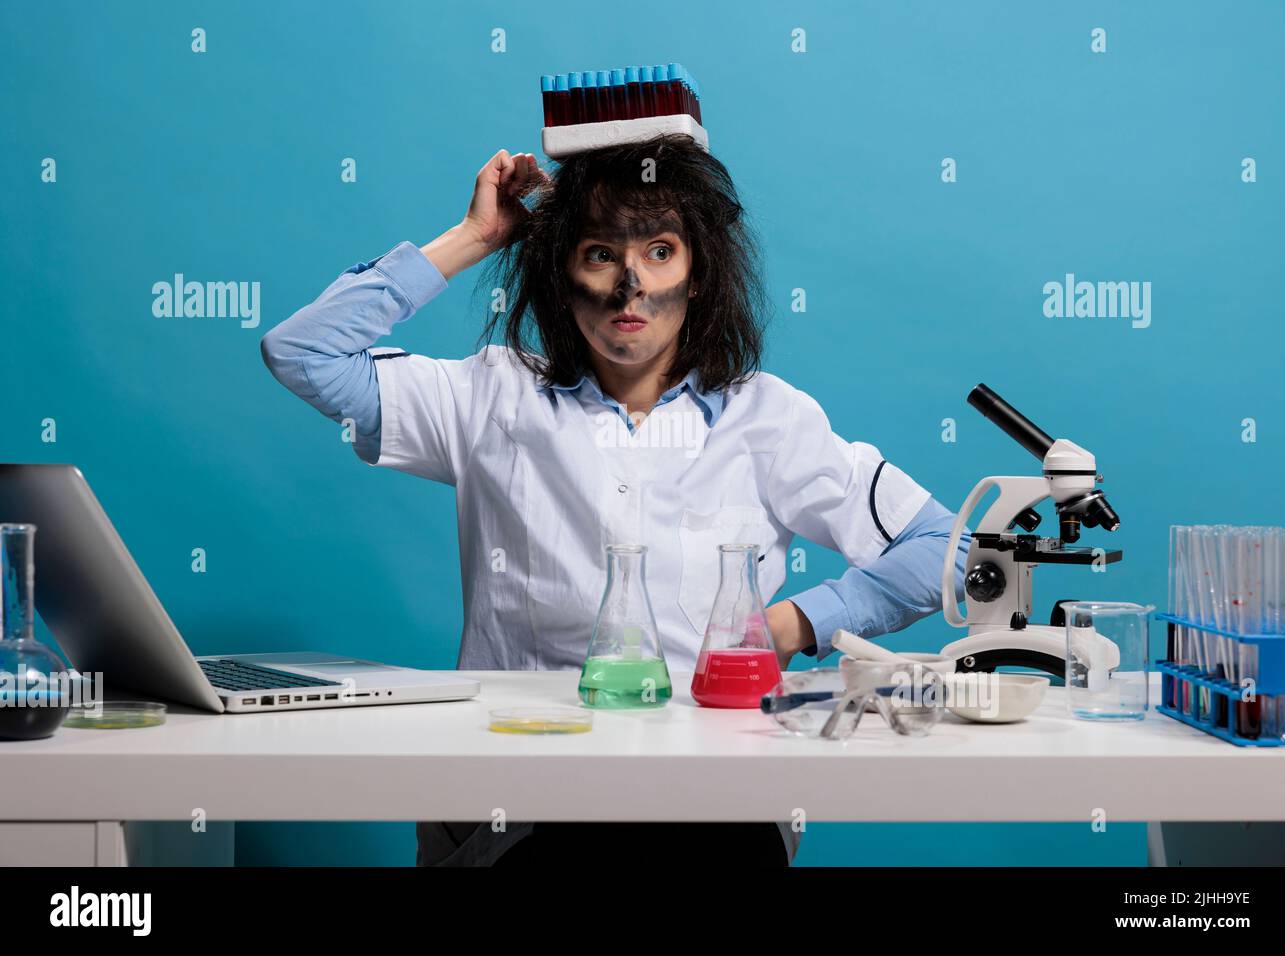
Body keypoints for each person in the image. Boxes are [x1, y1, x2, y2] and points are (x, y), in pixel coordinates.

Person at [260, 134, 971, 866]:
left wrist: (788, 624)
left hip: (713, 806)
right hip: (524, 807)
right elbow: (302, 352)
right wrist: (477, 236)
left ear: (698, 274)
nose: (631, 285)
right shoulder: (487, 397)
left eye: (660, 251)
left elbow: (951, 555)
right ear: (561, 275)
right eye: (599, 253)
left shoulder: (770, 419)